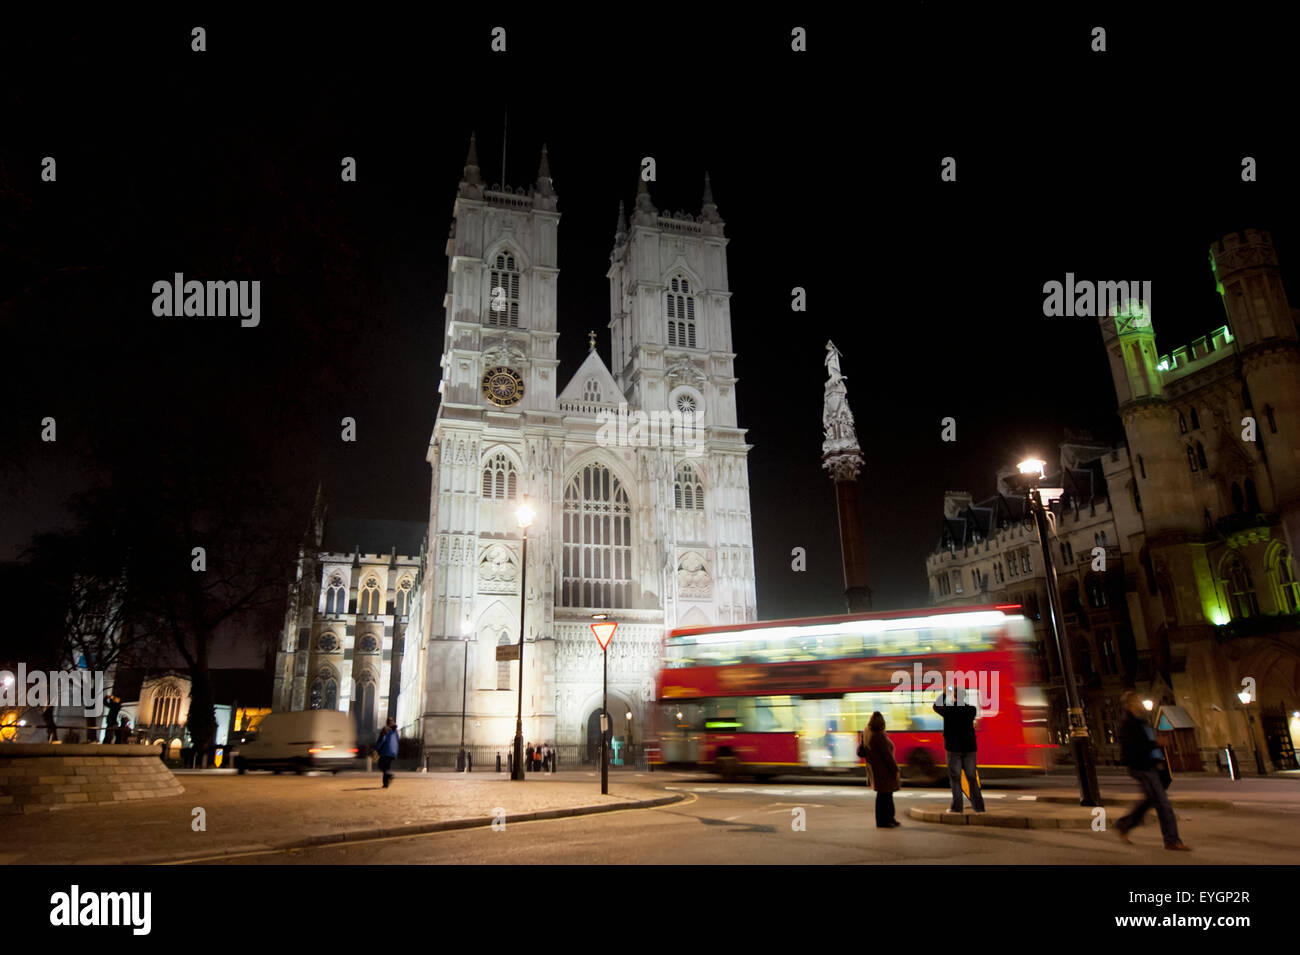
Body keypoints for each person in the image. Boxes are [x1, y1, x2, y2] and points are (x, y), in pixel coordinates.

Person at [1115, 691, 1189, 850]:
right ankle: (1172, 840)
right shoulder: (1129, 725)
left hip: (1150, 765)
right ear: (1131, 705)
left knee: (1150, 800)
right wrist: (1156, 744)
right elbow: (1136, 748)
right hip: (1142, 767)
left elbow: (1148, 744)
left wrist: (1158, 758)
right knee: (1163, 803)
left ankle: (1124, 824)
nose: (1141, 704)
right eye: (1137, 701)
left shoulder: (1142, 722)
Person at [933, 685, 985, 813]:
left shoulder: (949, 710)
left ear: (954, 696)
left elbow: (935, 706)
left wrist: (945, 694)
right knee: (971, 778)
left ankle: (957, 807)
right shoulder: (971, 710)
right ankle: (979, 807)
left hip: (953, 748)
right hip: (970, 748)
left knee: (955, 779)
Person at [858, 712, 901, 828]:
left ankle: (889, 818)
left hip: (875, 769)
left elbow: (860, 750)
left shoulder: (867, 732)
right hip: (883, 770)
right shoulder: (879, 736)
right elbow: (887, 755)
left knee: (885, 795)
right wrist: (895, 769)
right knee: (885, 796)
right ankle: (883, 821)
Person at [374, 716, 399, 788]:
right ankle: (385, 784)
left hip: (385, 751)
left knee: (382, 766)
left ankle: (389, 775)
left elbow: (382, 740)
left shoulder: (385, 729)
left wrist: (376, 748)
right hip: (393, 752)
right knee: (386, 767)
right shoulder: (395, 731)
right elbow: (397, 741)